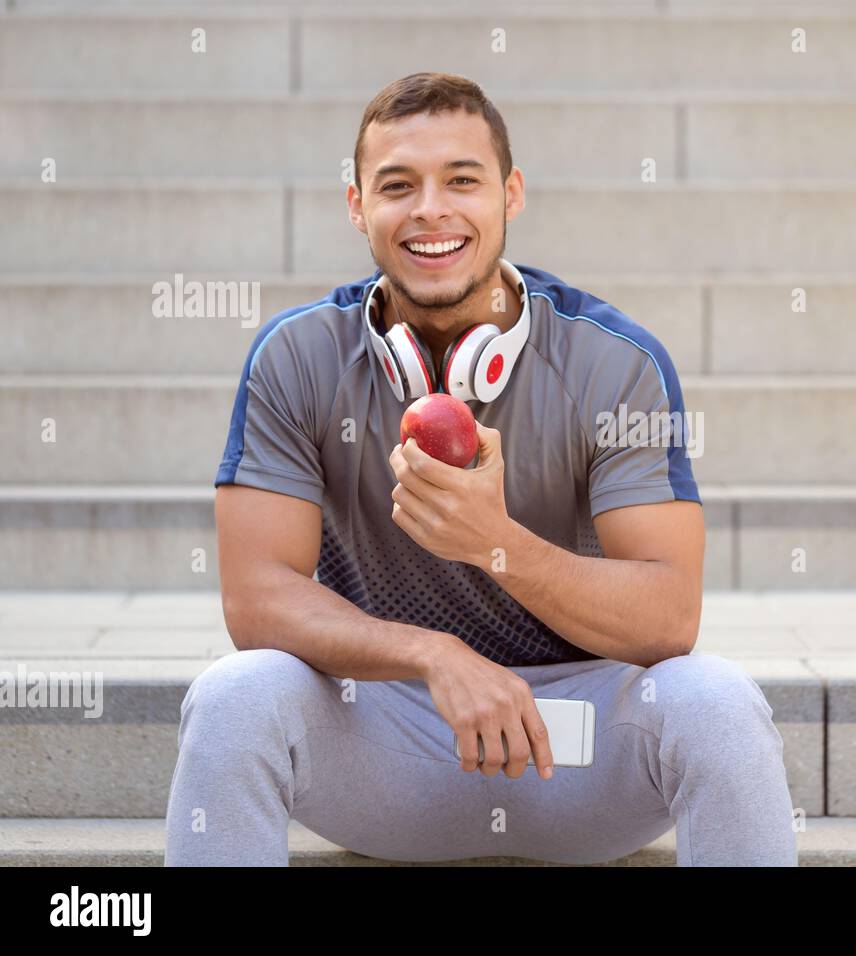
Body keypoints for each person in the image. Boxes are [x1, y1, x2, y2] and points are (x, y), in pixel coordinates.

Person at [164, 71, 796, 866]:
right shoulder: (296, 356)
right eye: (398, 185)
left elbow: (668, 618)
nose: (431, 209)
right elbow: (257, 601)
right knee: (233, 697)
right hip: (389, 744)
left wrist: (494, 541)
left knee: (720, 704)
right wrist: (436, 656)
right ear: (357, 205)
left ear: (511, 194)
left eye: (462, 180)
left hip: (572, 751)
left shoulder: (616, 362)